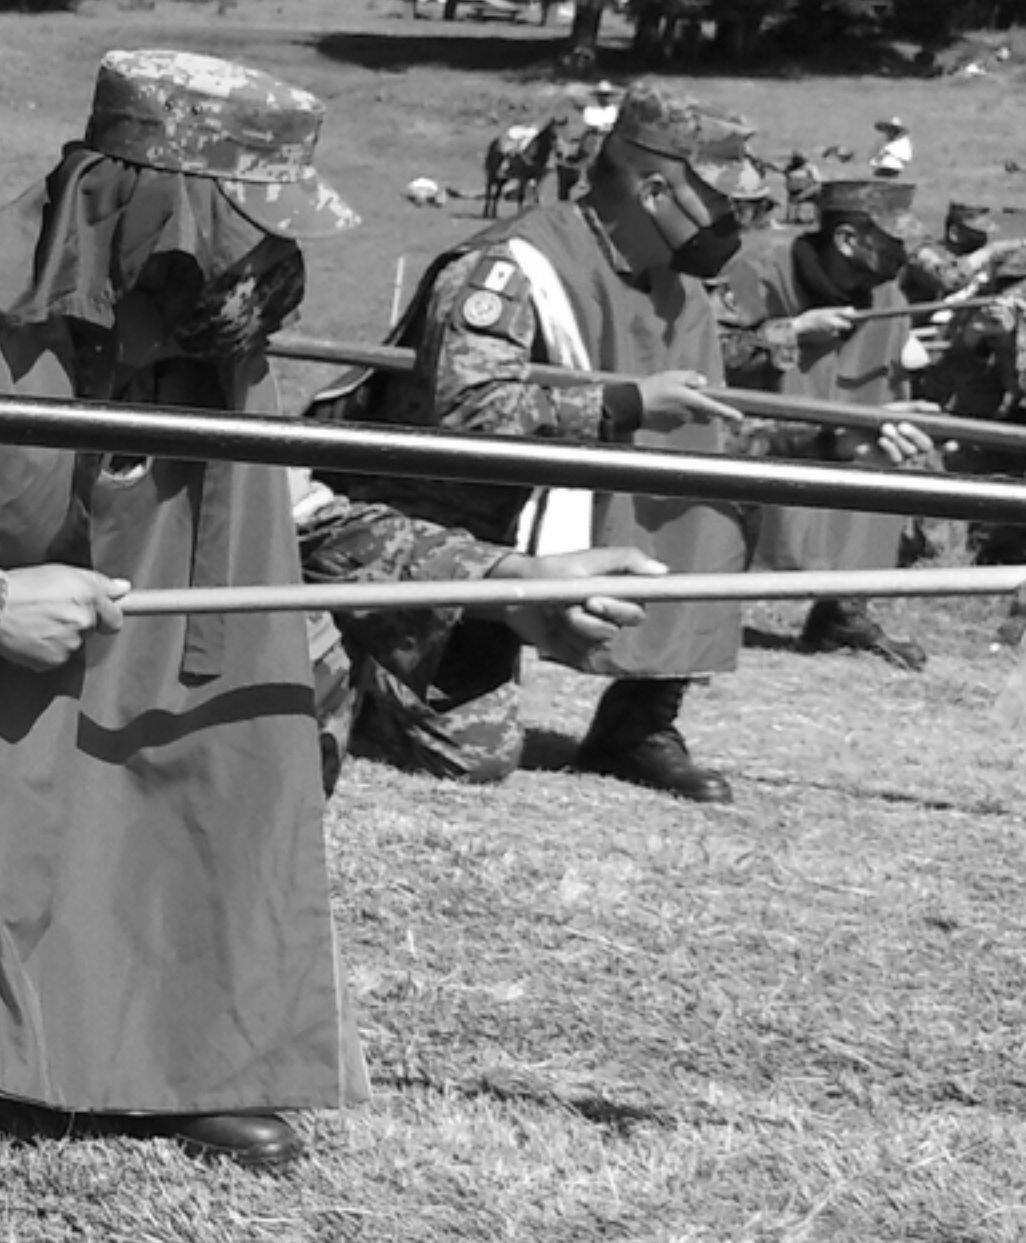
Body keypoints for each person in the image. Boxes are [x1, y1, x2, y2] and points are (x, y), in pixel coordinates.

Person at [0, 51, 645, 1179]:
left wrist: (499, 585)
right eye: (252, 232)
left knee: (211, 939)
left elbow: (296, 512)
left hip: (50, 747)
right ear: (157, 217)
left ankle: (140, 1052)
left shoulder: (202, 365)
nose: (274, 269)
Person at [317, 84, 769, 801]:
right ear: (655, 191)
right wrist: (625, 404)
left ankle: (639, 721)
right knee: (473, 755)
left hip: (537, 523)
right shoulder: (510, 268)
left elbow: (717, 365)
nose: (731, 221)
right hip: (439, 535)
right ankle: (352, 653)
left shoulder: (674, 285)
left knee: (717, 499)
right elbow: (465, 411)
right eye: (718, 200)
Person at [719, 177, 932, 667]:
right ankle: (705, 600)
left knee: (877, 489)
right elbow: (711, 348)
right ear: (848, 241)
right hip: (756, 430)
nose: (905, 254)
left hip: (857, 422)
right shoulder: (759, 271)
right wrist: (793, 330)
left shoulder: (887, 294)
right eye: (893, 241)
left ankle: (842, 610)